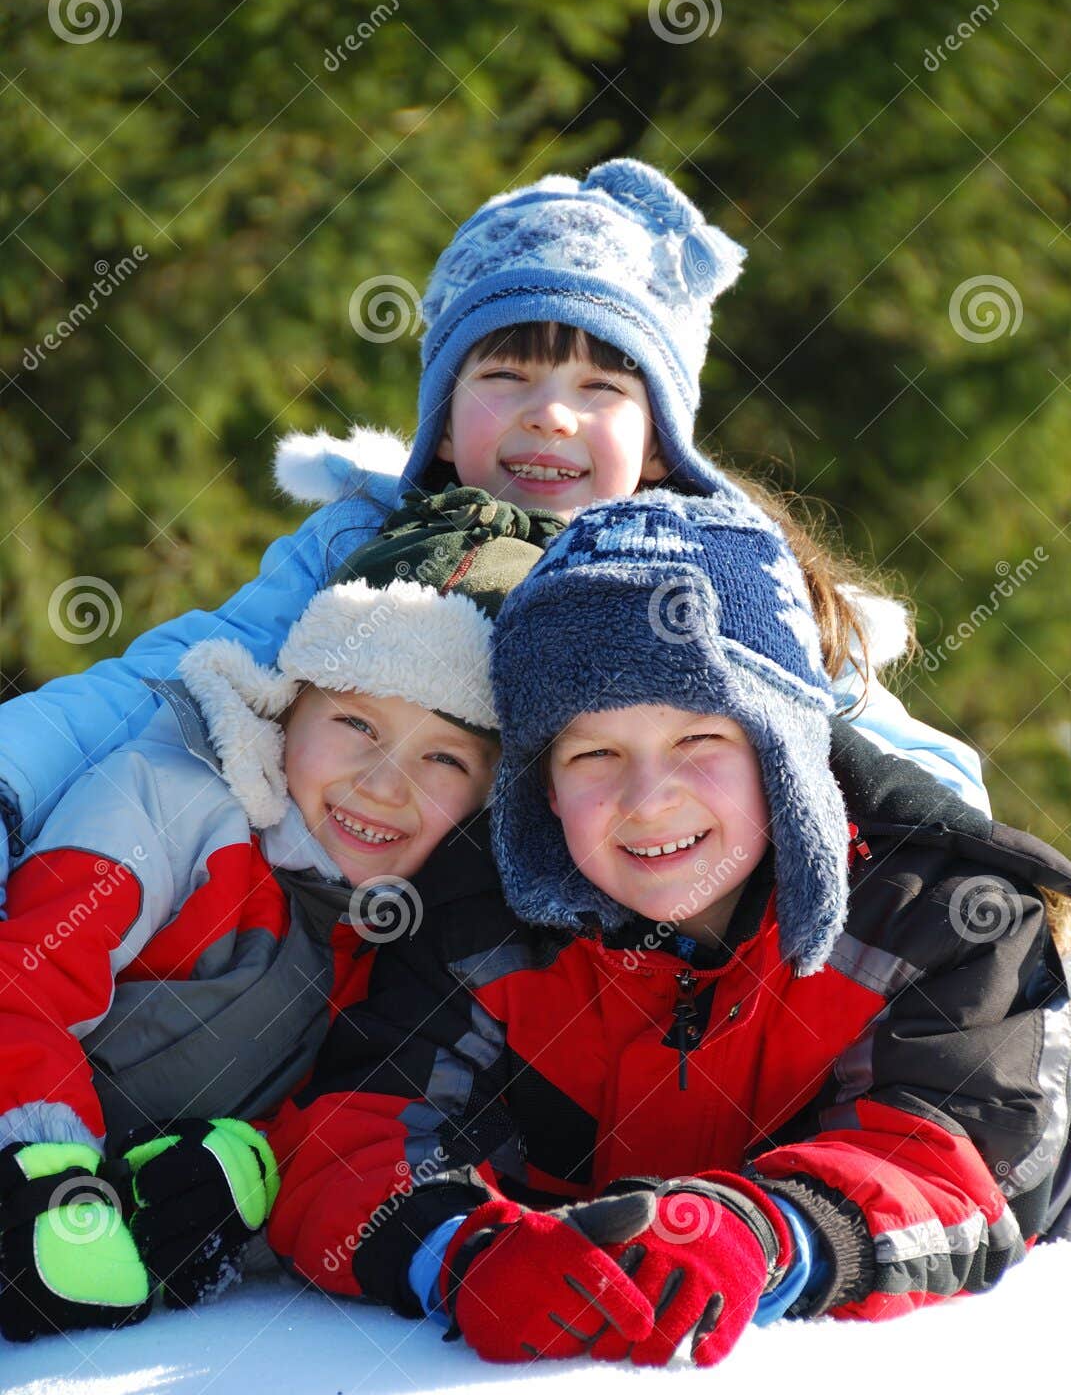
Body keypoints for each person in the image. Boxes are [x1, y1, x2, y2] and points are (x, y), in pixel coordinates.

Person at [0, 158, 989, 921]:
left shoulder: (710, 580)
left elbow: (873, 736)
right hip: (349, 945)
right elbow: (169, 676)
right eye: (506, 377)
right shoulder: (370, 545)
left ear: (657, 447)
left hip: (597, 958)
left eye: (599, 389)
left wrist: (959, 865)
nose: (549, 416)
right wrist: (15, 775)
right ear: (441, 412)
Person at [262, 486, 1071, 1368]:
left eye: (698, 741)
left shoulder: (938, 914)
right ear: (541, 786)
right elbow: (354, 1132)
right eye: (594, 753)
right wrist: (464, 1254)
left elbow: (964, 1169)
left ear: (784, 748)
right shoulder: (475, 917)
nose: (647, 801)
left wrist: (763, 1235)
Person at [0, 494, 559, 1342]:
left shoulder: (430, 930)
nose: (381, 783)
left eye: (443, 757)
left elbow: (362, 1109)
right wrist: (46, 1172)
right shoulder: (168, 806)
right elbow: (20, 989)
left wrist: (237, 1170)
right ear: (286, 707)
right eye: (356, 723)